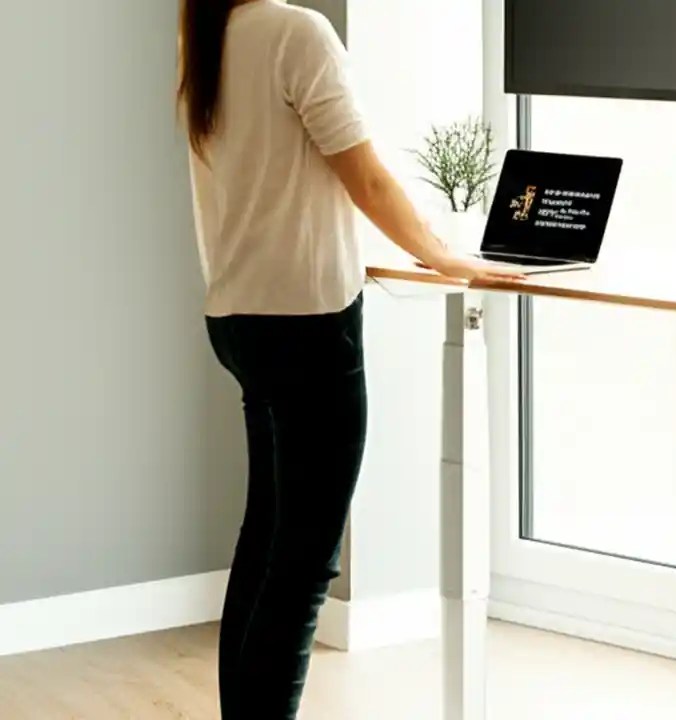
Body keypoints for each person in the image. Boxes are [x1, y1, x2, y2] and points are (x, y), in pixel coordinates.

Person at [177, 1, 524, 717]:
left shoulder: (209, 40)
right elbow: (364, 178)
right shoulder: (297, 33)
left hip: (240, 322)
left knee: (267, 539)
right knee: (304, 566)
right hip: (306, 328)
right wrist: (444, 256)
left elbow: (282, 187)